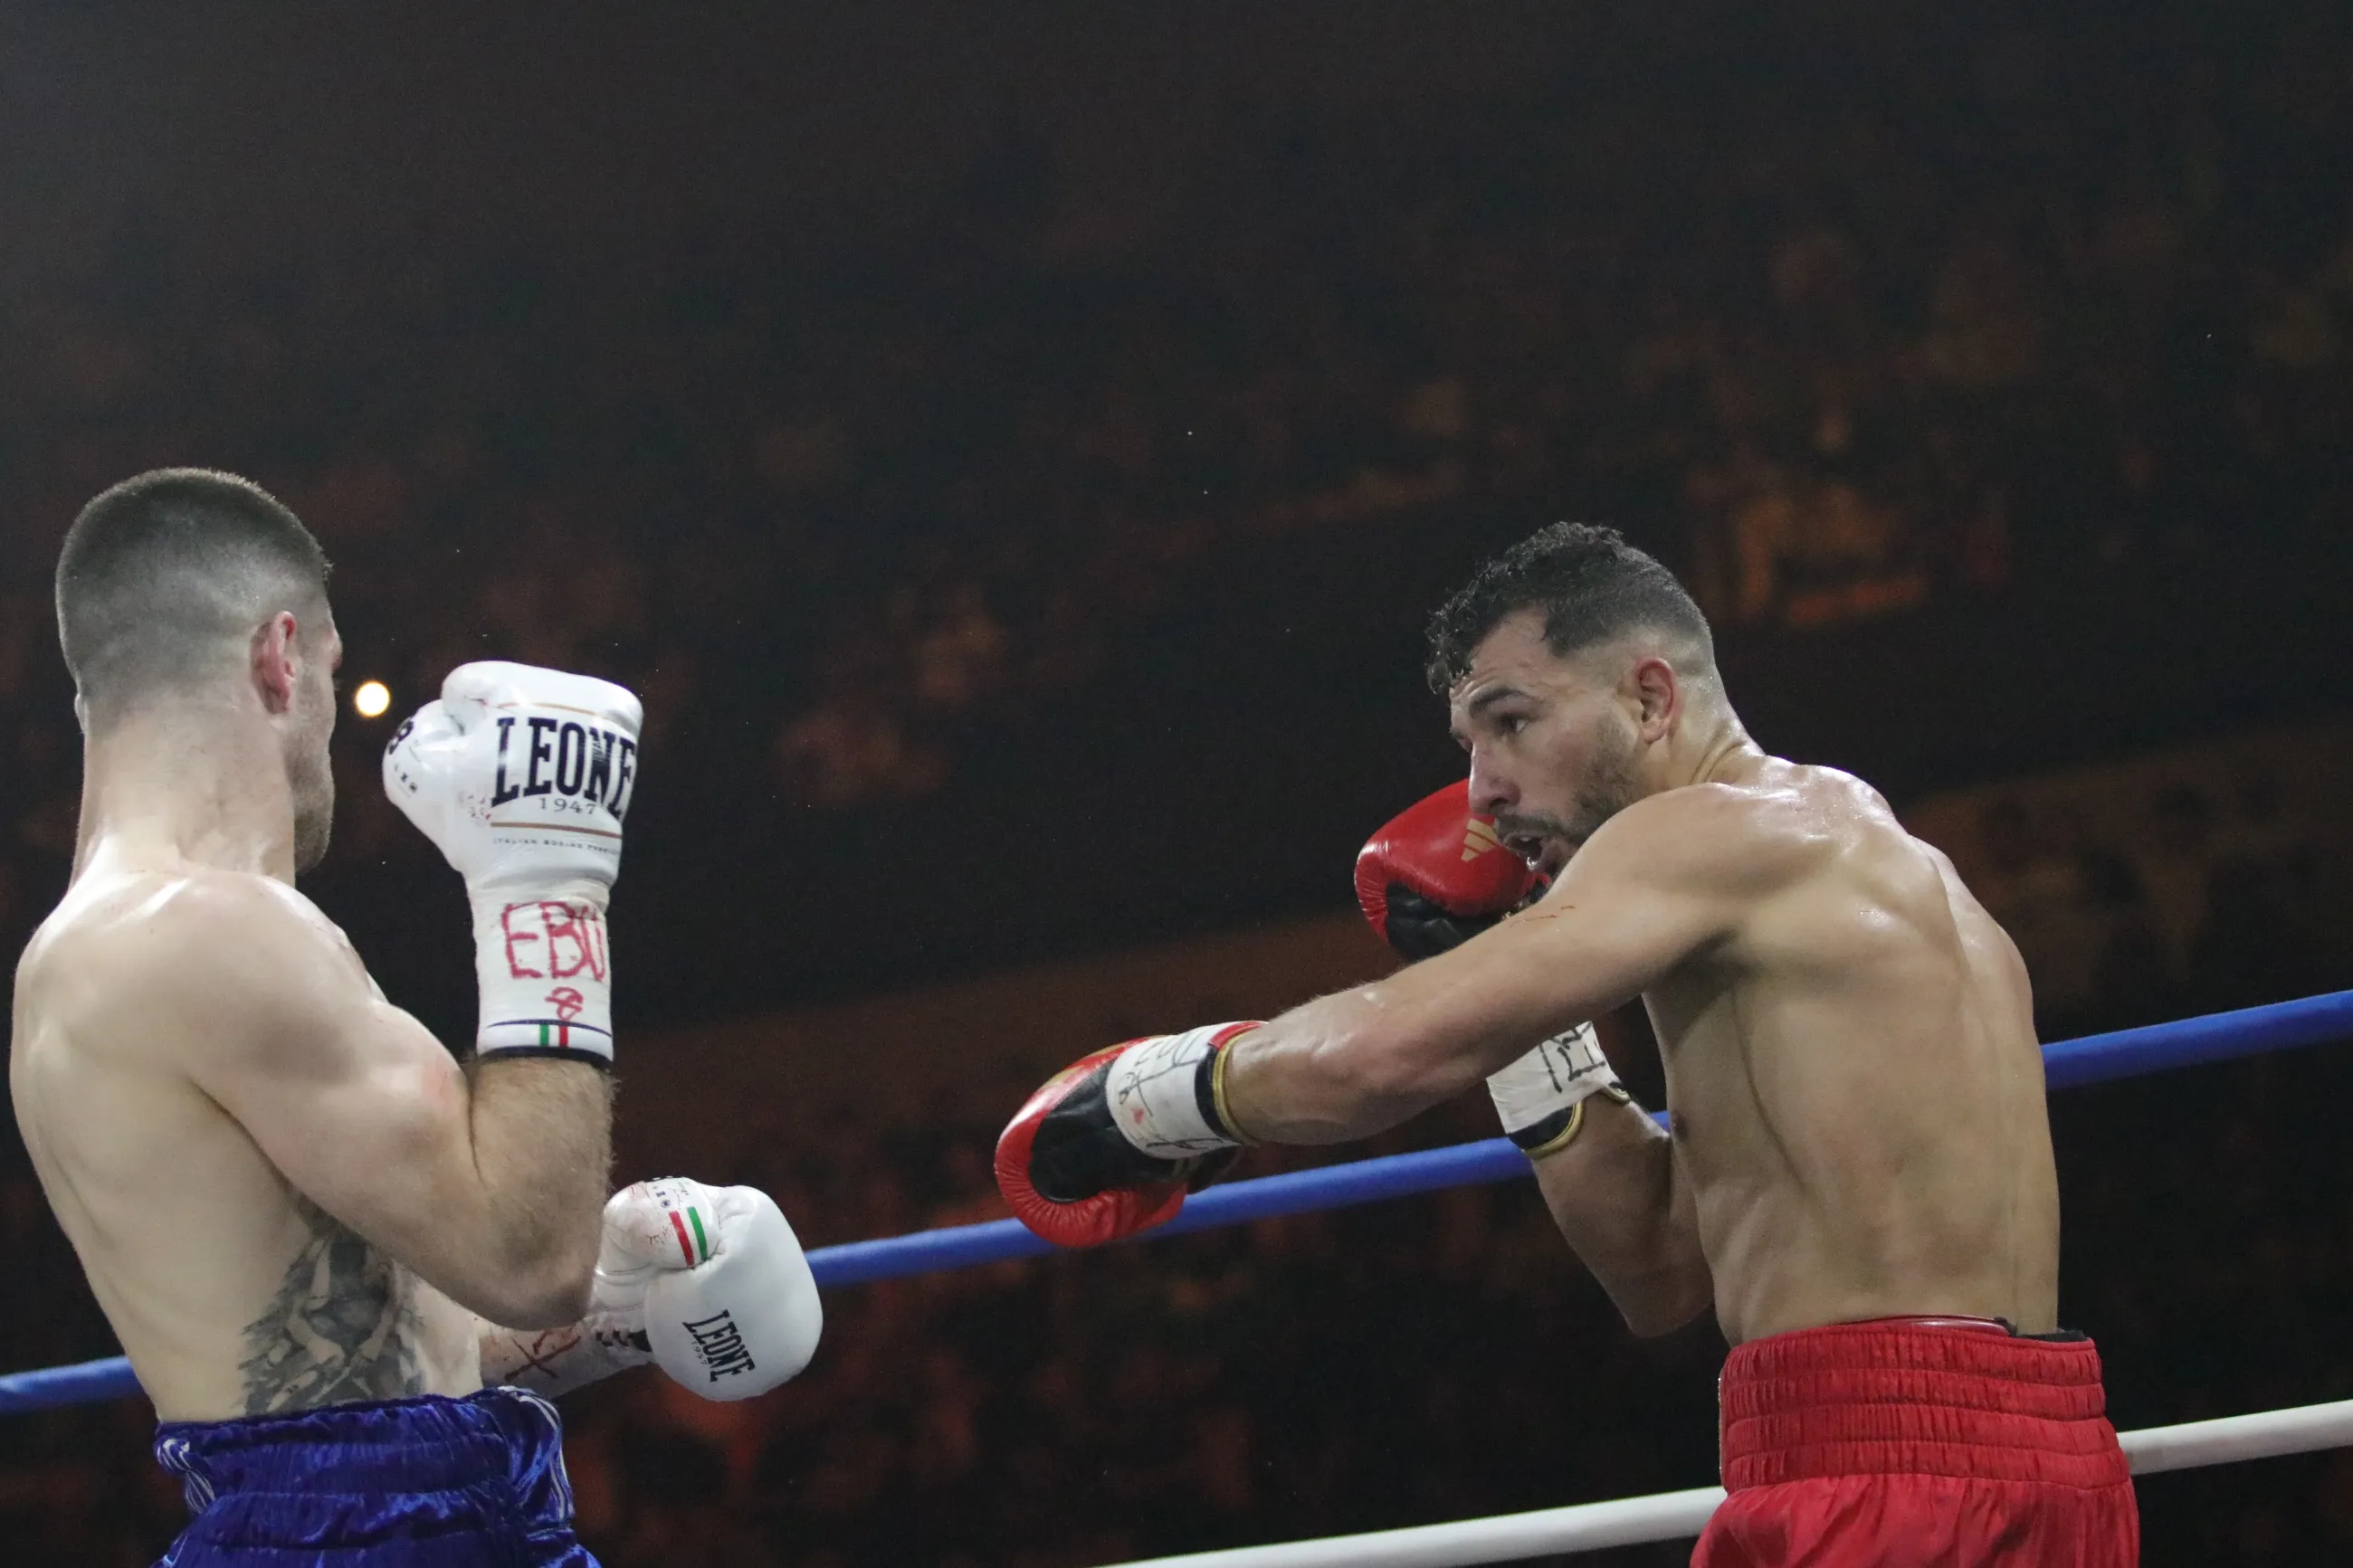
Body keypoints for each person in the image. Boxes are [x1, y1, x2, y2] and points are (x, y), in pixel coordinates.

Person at [997, 522, 2137, 1565]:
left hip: (1880, 1471)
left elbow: (1375, 1061)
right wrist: (1521, 1024)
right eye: (1467, 741)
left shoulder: (1706, 834)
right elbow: (1657, 1268)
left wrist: (1159, 1095)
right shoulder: (1861, 864)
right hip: (2032, 1460)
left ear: (1649, 697)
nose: (1481, 793)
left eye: (1510, 720)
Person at [12, 470, 822, 1567]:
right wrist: (551, 882)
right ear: (278, 655)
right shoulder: (203, 932)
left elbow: (358, 1368)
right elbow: (526, 1256)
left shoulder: (96, 952)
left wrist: (614, 1313)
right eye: (333, 680)